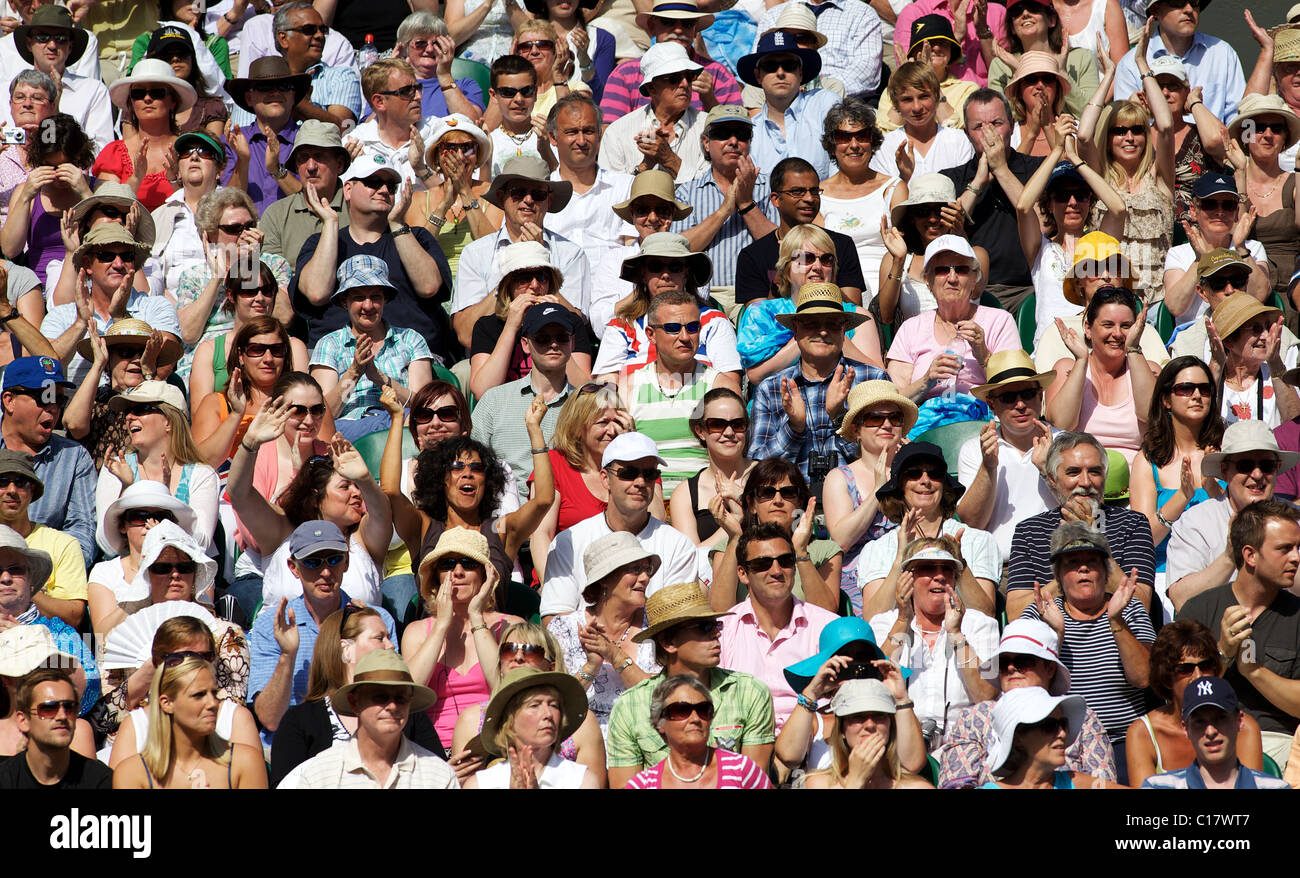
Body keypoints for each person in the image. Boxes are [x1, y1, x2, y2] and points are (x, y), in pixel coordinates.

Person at [386, 395, 553, 617]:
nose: (467, 473)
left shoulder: (499, 530)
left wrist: (534, 430)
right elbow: (391, 490)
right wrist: (397, 418)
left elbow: (543, 500)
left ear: (488, 481)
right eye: (457, 467)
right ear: (441, 479)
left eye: (476, 467)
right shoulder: (425, 527)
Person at [605, 580, 775, 788]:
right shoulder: (630, 707)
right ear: (668, 642)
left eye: (716, 625)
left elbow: (753, 781)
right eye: (705, 627)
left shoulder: (749, 692)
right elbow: (625, 785)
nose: (717, 633)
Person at [1021, 520, 1155, 776]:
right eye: (1072, 563)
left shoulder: (1131, 608)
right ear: (1058, 576)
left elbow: (1143, 678)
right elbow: (1027, 687)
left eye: (1092, 562)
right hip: (1059, 742)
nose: (1083, 568)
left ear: (1105, 572)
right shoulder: (1039, 614)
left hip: (1125, 740)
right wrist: (1056, 635)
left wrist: (1116, 621)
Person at [292, 152, 455, 363]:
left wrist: (397, 224)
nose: (384, 190)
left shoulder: (417, 237)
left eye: (391, 186)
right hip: (336, 359)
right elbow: (316, 293)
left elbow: (429, 287)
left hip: (412, 359)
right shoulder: (319, 242)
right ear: (348, 190)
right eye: (374, 182)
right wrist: (330, 223)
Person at [247, 518, 398, 743]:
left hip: (361, 740)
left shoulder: (377, 621)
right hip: (292, 745)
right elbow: (270, 719)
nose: (326, 572)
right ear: (293, 568)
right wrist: (288, 656)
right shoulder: (272, 625)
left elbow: (394, 699)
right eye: (312, 562)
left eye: (334, 559)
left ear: (346, 563)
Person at [230, 407, 393, 614]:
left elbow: (382, 514)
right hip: (286, 643)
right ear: (316, 497)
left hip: (355, 642)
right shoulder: (282, 533)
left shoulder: (363, 537)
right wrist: (250, 445)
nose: (357, 493)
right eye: (345, 486)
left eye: (356, 486)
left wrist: (365, 479)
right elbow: (239, 494)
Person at [1177, 498, 1300, 768]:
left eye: (1297, 547)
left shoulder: (1297, 615)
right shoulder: (1198, 608)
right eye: (1285, 549)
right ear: (1250, 555)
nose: (1296, 557)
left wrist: (1254, 672)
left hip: (1280, 743)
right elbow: (1177, 696)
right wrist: (1221, 653)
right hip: (1204, 736)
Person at [269, 603, 442, 786]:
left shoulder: (406, 712)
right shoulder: (300, 721)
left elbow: (434, 770)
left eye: (389, 637)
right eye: (379, 638)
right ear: (346, 649)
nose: (390, 645)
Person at [939, 618, 1117, 788]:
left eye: (1024, 661)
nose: (1011, 668)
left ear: (1050, 668)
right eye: (1004, 662)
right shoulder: (973, 718)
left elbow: (1102, 781)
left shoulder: (1082, 718)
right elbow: (957, 784)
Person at [538, 431, 698, 620]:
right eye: (628, 473)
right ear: (605, 478)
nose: (640, 482)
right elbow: (555, 620)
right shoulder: (569, 542)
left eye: (649, 474)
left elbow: (677, 624)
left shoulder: (678, 545)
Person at [1006, 430, 1157, 619]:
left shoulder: (1132, 524)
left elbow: (1141, 603)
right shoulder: (1029, 532)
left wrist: (1092, 539)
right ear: (1052, 479)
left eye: (1094, 471)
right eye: (1073, 472)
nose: (1086, 482)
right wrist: (1068, 579)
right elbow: (1014, 613)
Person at [752, 282, 886, 490]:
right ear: (795, 330)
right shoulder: (771, 390)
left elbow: (884, 459)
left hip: (860, 498)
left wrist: (840, 419)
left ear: (843, 330)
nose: (823, 332)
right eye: (812, 323)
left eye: (832, 324)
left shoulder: (874, 380)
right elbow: (758, 470)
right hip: (792, 502)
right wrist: (794, 429)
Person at [869, 535, 999, 749]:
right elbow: (872, 685)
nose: (939, 576)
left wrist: (956, 634)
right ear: (906, 578)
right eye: (927, 567)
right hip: (895, 744)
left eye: (947, 568)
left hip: (965, 745)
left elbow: (986, 695)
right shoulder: (884, 623)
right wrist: (903, 620)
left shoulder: (982, 625)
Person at [449, 154, 588, 350]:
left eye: (537, 194)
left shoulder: (571, 254)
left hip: (552, 354)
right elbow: (466, 334)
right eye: (518, 192)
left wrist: (542, 263)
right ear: (501, 197)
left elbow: (576, 329)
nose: (528, 200)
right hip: (491, 355)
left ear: (548, 200)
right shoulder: (475, 253)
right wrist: (512, 275)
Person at [401, 527, 523, 744]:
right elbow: (408, 694)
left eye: (468, 564)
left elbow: (507, 691)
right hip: (433, 747)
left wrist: (476, 617)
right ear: (437, 576)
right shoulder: (417, 632)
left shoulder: (510, 627)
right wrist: (441, 626)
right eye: (447, 564)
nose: (457, 572)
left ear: (485, 575)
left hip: (494, 742)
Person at [448, 621, 606, 783]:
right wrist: (452, 779)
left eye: (531, 651)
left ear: (551, 667)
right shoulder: (471, 720)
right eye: (509, 650)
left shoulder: (583, 723)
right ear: (500, 663)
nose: (518, 657)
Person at [277, 649, 458, 788]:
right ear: (354, 703)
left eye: (401, 698)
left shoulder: (438, 775)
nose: (392, 706)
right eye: (380, 696)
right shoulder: (320, 774)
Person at [717, 521, 838, 730]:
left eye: (785, 561)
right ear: (743, 573)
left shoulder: (826, 627)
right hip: (742, 740)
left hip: (812, 738)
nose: (776, 570)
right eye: (762, 563)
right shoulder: (722, 630)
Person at [1015, 124, 1127, 347]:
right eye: (1063, 195)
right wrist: (1057, 150)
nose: (1073, 202)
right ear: (1049, 202)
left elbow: (1118, 209)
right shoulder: (1040, 248)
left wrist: (1075, 158)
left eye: (1081, 195)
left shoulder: (1101, 244)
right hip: (1051, 346)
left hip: (1096, 346)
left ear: (1090, 201)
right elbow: (1023, 206)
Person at [886, 235, 1018, 421]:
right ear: (928, 280)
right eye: (941, 270)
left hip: (984, 425)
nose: (952, 278)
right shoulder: (911, 328)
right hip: (926, 427)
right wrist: (927, 380)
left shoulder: (999, 321)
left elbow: (1016, 391)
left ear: (974, 279)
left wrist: (984, 355)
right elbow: (894, 400)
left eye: (962, 270)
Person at [105, 614, 261, 770]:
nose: (194, 665)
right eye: (183, 657)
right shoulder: (135, 725)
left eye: (203, 656)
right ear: (159, 661)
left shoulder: (235, 718)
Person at [1128, 357, 1223, 612]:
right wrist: (1182, 496)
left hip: (1222, 575)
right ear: (1166, 399)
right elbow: (1142, 539)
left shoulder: (1228, 453)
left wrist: (1213, 489)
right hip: (1163, 578)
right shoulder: (1148, 460)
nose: (1197, 395)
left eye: (1205, 389)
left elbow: (1243, 525)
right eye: (1185, 389)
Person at [172, 186, 294, 381]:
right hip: (208, 364)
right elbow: (188, 333)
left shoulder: (274, 265)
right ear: (211, 234)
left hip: (263, 354)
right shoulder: (195, 276)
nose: (244, 235)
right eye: (233, 229)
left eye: (249, 226)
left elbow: (284, 317)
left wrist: (253, 264)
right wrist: (217, 277)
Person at [545, 531, 660, 733]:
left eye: (646, 569)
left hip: (645, 733)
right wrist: (591, 667)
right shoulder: (564, 628)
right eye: (634, 569)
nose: (645, 578)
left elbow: (661, 697)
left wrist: (614, 655)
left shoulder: (657, 626)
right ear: (605, 578)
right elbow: (555, 704)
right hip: (582, 737)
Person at [41, 223, 181, 387]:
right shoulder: (61, 315)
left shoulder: (156, 306)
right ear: (87, 264)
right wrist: (80, 323)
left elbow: (163, 368)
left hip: (135, 410)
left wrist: (121, 317)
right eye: (107, 256)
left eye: (127, 256)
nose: (118, 264)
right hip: (76, 409)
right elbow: (46, 369)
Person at [591, 233, 740, 386]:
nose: (666, 275)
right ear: (643, 274)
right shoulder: (622, 325)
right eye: (655, 267)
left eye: (675, 267)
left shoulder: (713, 321)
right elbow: (605, 386)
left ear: (686, 273)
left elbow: (729, 384)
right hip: (633, 408)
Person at [1126, 620, 1263, 786]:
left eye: (1205, 665)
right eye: (1185, 669)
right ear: (1166, 678)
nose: (1198, 676)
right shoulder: (1143, 733)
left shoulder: (1243, 727)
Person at [309, 255, 432, 436]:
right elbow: (323, 414)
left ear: (385, 300)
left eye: (375, 297)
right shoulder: (329, 345)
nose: (368, 306)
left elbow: (424, 407)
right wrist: (355, 372)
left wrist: (378, 377)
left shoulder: (410, 339)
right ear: (345, 302)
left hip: (401, 424)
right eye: (359, 297)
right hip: (349, 429)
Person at [521, 384, 631, 584]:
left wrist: (631, 451)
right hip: (565, 578)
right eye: (603, 422)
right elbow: (541, 536)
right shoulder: (555, 464)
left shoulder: (638, 466)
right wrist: (554, 591)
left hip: (625, 581)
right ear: (578, 428)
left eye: (618, 421)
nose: (613, 430)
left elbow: (655, 520)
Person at [944, 89, 1041, 312]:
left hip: (1028, 289)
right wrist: (978, 183)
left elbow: (1039, 221)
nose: (989, 133)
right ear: (966, 133)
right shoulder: (951, 178)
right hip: (968, 291)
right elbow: (944, 233)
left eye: (996, 123)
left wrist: (1001, 170)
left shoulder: (1036, 168)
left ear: (1013, 125)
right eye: (978, 127)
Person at [93, 381, 219, 553]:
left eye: (140, 410)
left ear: (169, 421)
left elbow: (202, 542)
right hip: (127, 573)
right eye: (128, 411)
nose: (129, 417)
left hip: (180, 573)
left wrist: (165, 500)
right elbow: (106, 542)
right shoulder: (116, 468)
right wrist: (127, 489)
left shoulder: (201, 474)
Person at [823, 380, 915, 614]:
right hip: (859, 581)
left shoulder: (917, 474)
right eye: (875, 418)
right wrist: (878, 490)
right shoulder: (840, 478)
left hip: (913, 569)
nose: (887, 425)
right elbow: (842, 540)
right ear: (856, 430)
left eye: (895, 418)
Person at [956, 350, 1056, 563]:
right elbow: (973, 522)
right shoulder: (974, 450)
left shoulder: (1068, 443)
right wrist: (989, 466)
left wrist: (1049, 470)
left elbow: (1087, 512)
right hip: (999, 569)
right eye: (1009, 398)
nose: (1020, 405)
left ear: (1040, 395)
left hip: (1057, 564)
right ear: (992, 404)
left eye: (1027, 394)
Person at [470, 301, 581, 493]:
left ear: (572, 343)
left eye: (561, 338)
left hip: (569, 512)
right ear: (525, 344)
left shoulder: (585, 405)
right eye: (542, 338)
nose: (553, 344)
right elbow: (471, 462)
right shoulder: (495, 400)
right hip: (506, 511)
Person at [706, 457, 842, 613]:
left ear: (799, 502)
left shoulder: (825, 551)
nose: (778, 500)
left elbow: (826, 614)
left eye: (788, 493)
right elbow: (720, 611)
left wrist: (800, 552)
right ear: (751, 504)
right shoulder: (727, 547)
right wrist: (736, 538)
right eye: (767, 493)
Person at [112, 655, 268, 789]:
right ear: (167, 703)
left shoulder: (245, 761)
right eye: (199, 695)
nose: (213, 703)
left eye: (214, 693)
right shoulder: (132, 774)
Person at [1080, 88, 1175, 306]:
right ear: (1107, 135)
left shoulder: (1159, 178)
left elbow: (1167, 126)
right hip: (1110, 302)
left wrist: (1142, 64)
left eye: (1137, 130)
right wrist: (1109, 74)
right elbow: (1084, 136)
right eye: (1120, 131)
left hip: (1156, 303)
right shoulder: (1100, 178)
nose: (1129, 138)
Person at [1044, 285, 1160, 463]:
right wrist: (1081, 361)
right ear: (1088, 328)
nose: (1117, 333)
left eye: (1126, 326)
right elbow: (1063, 424)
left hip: (1135, 480)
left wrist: (1133, 348)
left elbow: (1150, 416)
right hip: (1080, 477)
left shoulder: (1149, 370)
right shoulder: (1065, 368)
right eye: (1108, 325)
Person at [0, 356, 96, 568]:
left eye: (59, 400)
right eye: (44, 397)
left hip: (49, 579)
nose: (52, 408)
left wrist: (43, 569)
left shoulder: (74, 457)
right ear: (9, 400)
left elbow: (82, 529)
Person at [672, 104, 778, 295]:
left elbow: (781, 247)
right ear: (706, 142)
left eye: (742, 134)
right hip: (704, 298)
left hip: (758, 297)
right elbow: (677, 251)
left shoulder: (770, 188)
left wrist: (746, 204)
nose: (733, 141)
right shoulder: (687, 193)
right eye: (722, 133)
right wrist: (724, 211)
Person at [735, 158, 866, 307]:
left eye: (814, 191)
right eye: (798, 192)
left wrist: (824, 280)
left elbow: (855, 312)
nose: (809, 198)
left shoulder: (841, 245)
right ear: (776, 199)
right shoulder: (753, 256)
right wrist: (783, 277)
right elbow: (759, 320)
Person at [466, 246, 591, 401]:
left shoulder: (571, 322)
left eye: (542, 277)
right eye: (524, 278)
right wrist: (511, 327)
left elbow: (583, 389)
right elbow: (483, 391)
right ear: (508, 285)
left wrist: (558, 323)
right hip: (507, 408)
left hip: (560, 407)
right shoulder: (488, 326)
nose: (534, 285)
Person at [186, 263, 306, 418]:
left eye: (267, 291)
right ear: (230, 295)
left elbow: (303, 407)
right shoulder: (209, 350)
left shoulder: (294, 347)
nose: (260, 298)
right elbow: (199, 416)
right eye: (249, 291)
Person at [818, 99, 909, 304]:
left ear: (872, 141)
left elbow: (905, 246)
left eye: (862, 136)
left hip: (890, 288)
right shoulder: (818, 194)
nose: (854, 145)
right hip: (837, 293)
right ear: (832, 146)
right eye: (844, 137)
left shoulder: (894, 188)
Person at [0, 520, 96, 710]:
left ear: (31, 579)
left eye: (16, 569)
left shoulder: (59, 632)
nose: (6, 578)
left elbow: (89, 691)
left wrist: (34, 646)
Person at [598, 0, 740, 125]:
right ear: (652, 26)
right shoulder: (625, 73)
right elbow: (609, 133)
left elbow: (737, 136)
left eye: (687, 23)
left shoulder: (718, 74)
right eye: (668, 22)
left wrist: (709, 99)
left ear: (695, 29)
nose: (678, 30)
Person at [87, 480, 195, 640]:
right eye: (139, 517)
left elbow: (203, 620)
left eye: (160, 518)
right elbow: (102, 637)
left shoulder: (189, 568)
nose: (150, 524)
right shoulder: (104, 572)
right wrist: (142, 584)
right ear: (123, 526)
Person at [624, 674, 771, 788]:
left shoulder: (740, 769)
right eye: (681, 710)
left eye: (703, 710)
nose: (695, 718)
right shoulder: (642, 784)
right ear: (659, 723)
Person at [228, 2, 360, 130]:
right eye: (309, 30)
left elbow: (345, 128)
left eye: (323, 29)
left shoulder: (340, 77)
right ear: (283, 38)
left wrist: (294, 100)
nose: (320, 35)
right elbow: (241, 135)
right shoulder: (256, 83)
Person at [1162, 172, 1270, 326]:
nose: (1220, 212)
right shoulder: (1178, 253)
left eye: (1228, 205)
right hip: (1194, 338)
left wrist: (1240, 248)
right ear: (1193, 210)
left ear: (1236, 211)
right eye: (1210, 204)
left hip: (1241, 335)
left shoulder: (1252, 248)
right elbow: (1176, 307)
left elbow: (1259, 296)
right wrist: (1200, 260)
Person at [1141, 675, 1289, 789]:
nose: (1210, 731)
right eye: (1199, 722)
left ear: (1239, 721)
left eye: (1220, 719)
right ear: (1186, 729)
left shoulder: (1276, 787)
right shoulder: (1157, 786)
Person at [876, 173, 983, 329]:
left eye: (940, 210)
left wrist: (960, 236)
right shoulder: (894, 260)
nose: (932, 219)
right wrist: (899, 261)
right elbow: (886, 316)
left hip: (965, 345)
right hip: (916, 348)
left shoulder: (977, 255)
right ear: (911, 216)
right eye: (922, 211)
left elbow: (975, 291)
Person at [2, 112, 95, 290]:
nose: (58, 175)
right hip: (40, 289)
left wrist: (85, 193)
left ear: (80, 159)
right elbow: (10, 249)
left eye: (66, 166)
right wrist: (26, 197)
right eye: (50, 167)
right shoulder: (26, 192)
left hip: (88, 286)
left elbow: (111, 237)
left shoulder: (96, 189)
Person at [463, 665, 597, 788]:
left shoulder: (581, 780)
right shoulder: (480, 784)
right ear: (509, 720)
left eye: (553, 705)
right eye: (534, 705)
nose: (548, 714)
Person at [1112, 0, 1245, 124]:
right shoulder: (1130, 63)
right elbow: (1127, 124)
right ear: (1155, 10)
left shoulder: (1223, 53)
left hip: (1216, 147)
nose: (1188, 9)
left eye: (1194, 2)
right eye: (1178, 2)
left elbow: (1238, 117)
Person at [191, 316, 297, 468]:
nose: (268, 358)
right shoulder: (216, 403)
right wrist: (235, 415)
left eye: (276, 350)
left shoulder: (304, 402)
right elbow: (201, 465)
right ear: (241, 355)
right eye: (257, 350)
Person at [598, 41, 708, 185]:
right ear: (651, 88)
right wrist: (644, 166)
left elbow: (714, 189)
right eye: (674, 79)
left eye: (689, 77)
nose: (685, 84)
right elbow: (611, 193)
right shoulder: (617, 133)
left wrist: (669, 159)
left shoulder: (709, 127)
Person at [92, 59, 194, 212]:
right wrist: (137, 178)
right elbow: (108, 210)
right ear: (131, 102)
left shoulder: (191, 150)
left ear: (173, 101)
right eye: (138, 93)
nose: (147, 99)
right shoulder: (114, 154)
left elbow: (199, 206)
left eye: (157, 92)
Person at [4, 5, 111, 152]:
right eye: (43, 38)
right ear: (29, 43)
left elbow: (101, 154)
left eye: (61, 38)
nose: (52, 45)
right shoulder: (5, 90)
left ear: (71, 46)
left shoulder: (93, 90)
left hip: (70, 173)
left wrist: (56, 115)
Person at [0, 454, 87, 630]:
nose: (12, 490)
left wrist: (24, 587)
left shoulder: (63, 544)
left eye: (20, 483)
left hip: (48, 643)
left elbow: (74, 617)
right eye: (2, 482)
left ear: (31, 491)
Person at [402, 113, 493, 280]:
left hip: (480, 288)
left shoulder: (492, 194)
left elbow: (493, 250)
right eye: (450, 148)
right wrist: (443, 206)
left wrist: (465, 192)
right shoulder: (419, 200)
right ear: (437, 155)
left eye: (467, 148)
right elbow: (417, 257)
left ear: (477, 153)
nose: (459, 156)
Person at [738, 32, 839, 180]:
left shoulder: (825, 104)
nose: (780, 73)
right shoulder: (750, 134)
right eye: (770, 66)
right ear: (758, 75)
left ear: (801, 72)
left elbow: (840, 170)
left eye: (789, 65)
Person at [801, 678, 931, 789]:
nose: (870, 725)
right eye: (858, 717)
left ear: (890, 725)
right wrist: (854, 782)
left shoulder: (918, 786)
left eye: (879, 716)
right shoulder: (819, 784)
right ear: (841, 730)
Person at [978, 686, 1118, 789]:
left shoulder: (1077, 783)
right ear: (1017, 737)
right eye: (1049, 726)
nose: (1062, 733)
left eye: (1063, 724)